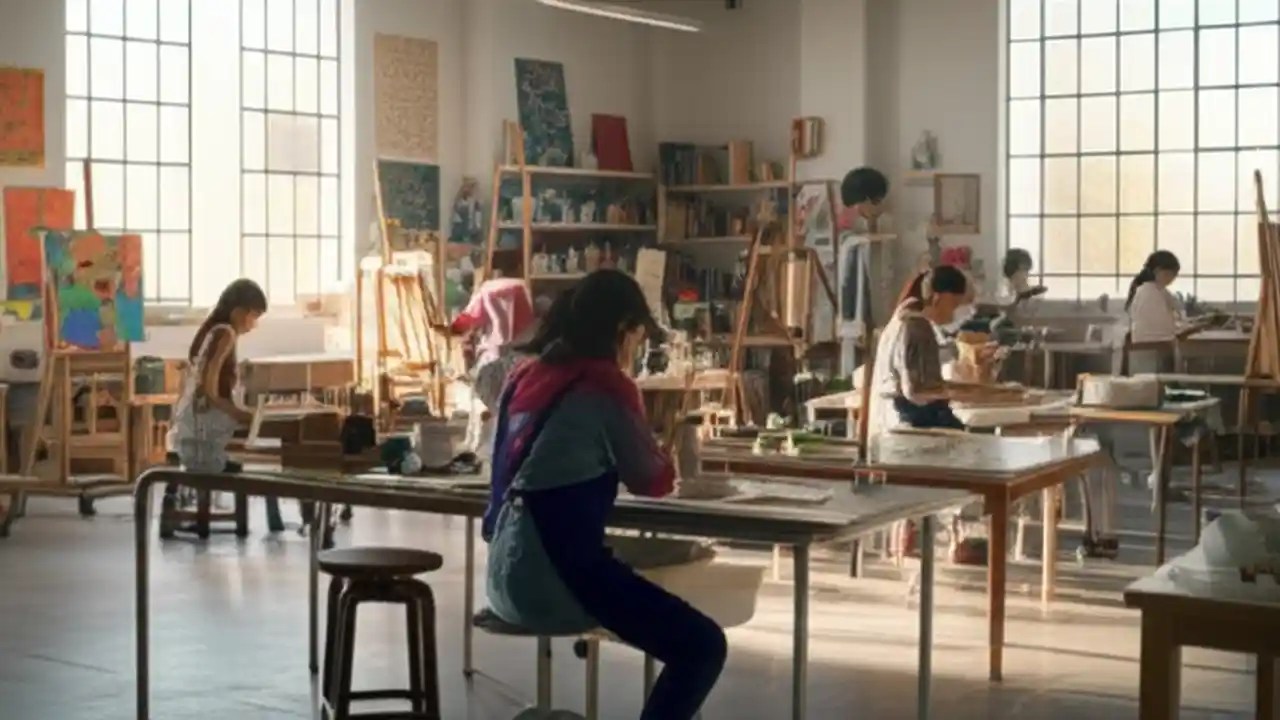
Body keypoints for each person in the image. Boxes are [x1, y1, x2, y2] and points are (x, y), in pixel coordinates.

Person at [483, 270, 725, 720]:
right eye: (635, 335)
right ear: (621, 329)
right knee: (702, 646)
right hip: (557, 579)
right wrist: (663, 451)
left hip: (502, 573)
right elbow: (651, 481)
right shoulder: (606, 383)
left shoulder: (524, 376)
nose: (634, 348)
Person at [168, 279, 281, 531]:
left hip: (197, 422)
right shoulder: (225, 333)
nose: (254, 324)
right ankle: (275, 519)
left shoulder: (212, 330)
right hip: (206, 427)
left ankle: (275, 518)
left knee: (261, 430)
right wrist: (240, 414)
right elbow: (208, 389)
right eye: (254, 316)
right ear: (239, 311)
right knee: (271, 443)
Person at [868, 266, 987, 434]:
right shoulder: (916, 325)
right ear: (940, 298)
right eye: (955, 304)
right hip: (907, 427)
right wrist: (968, 394)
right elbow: (916, 391)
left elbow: (922, 383)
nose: (955, 313)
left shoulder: (902, 319)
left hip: (891, 422)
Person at [439, 277, 536, 456]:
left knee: (483, 403)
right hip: (518, 358)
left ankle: (478, 444)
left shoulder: (487, 294)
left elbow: (472, 322)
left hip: (495, 358)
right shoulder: (519, 292)